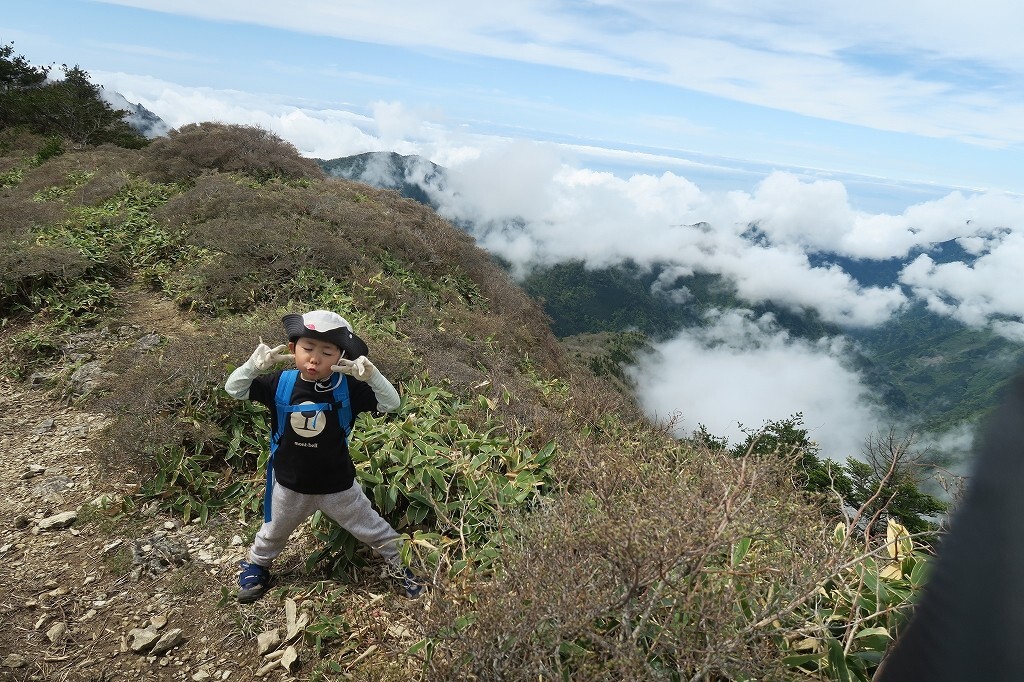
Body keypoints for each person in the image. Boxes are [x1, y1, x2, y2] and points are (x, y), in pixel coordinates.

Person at [224, 309, 423, 603]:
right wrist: (253, 366)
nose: (314, 359)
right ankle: (257, 565)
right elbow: (234, 389)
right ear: (292, 349)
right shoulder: (281, 383)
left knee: (375, 530)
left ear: (341, 357)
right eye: (307, 349)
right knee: (273, 532)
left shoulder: (349, 388)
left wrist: (373, 376)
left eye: (327, 352)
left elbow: (391, 404)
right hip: (290, 485)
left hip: (338, 487)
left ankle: (403, 565)